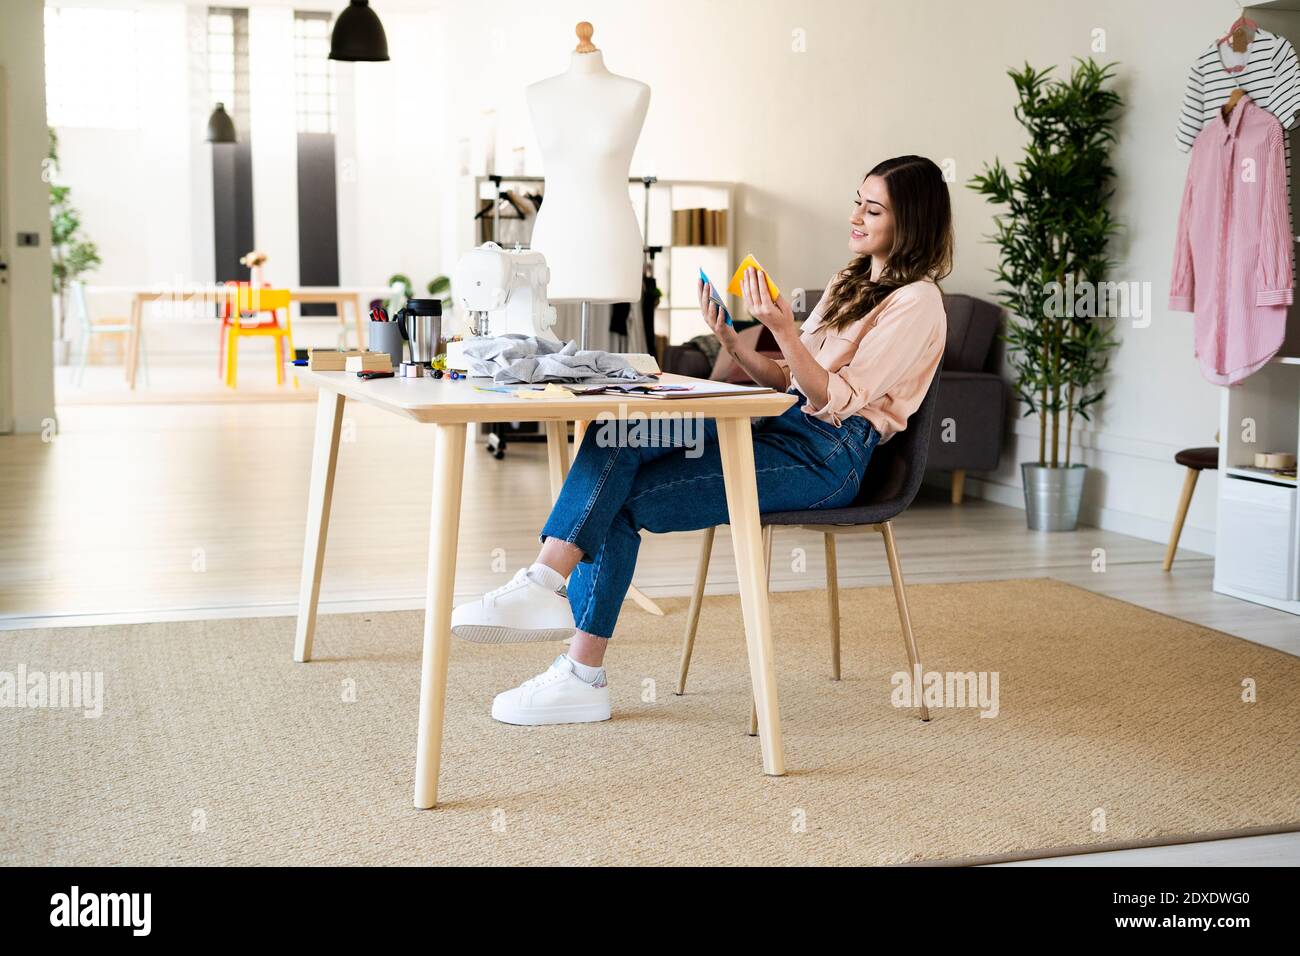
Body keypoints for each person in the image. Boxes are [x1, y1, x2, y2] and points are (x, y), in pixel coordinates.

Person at [451, 154, 954, 726]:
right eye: (856, 202)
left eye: (873, 209)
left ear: (909, 222)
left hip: (826, 458)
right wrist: (735, 344)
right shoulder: (850, 281)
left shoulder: (917, 302)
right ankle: (548, 591)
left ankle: (576, 665)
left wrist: (787, 329)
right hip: (777, 424)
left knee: (615, 499)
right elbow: (792, 381)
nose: (856, 218)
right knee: (619, 430)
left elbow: (832, 398)